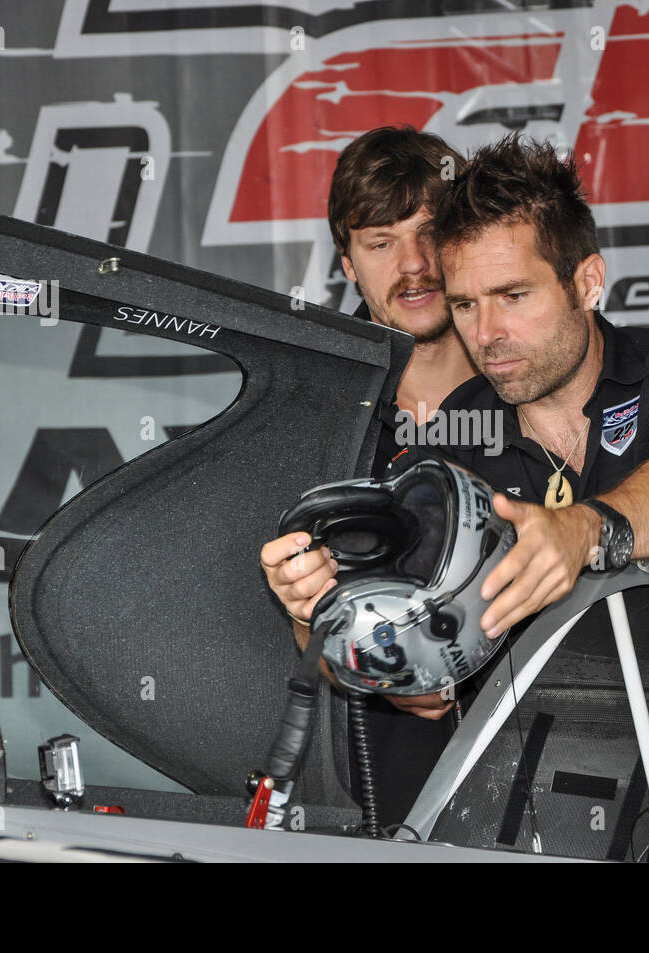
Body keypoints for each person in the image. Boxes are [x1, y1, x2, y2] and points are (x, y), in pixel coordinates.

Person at [425, 134, 649, 641]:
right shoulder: (453, 434)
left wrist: (584, 531)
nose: (485, 334)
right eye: (465, 305)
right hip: (528, 721)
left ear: (587, 283)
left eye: (512, 296)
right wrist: (313, 618)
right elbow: (403, 635)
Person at [257, 127, 474, 821]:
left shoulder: (540, 379)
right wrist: (369, 663)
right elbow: (299, 633)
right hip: (374, 803)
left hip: (556, 786)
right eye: (381, 243)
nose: (413, 265)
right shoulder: (313, 412)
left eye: (431, 233)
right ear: (348, 263)